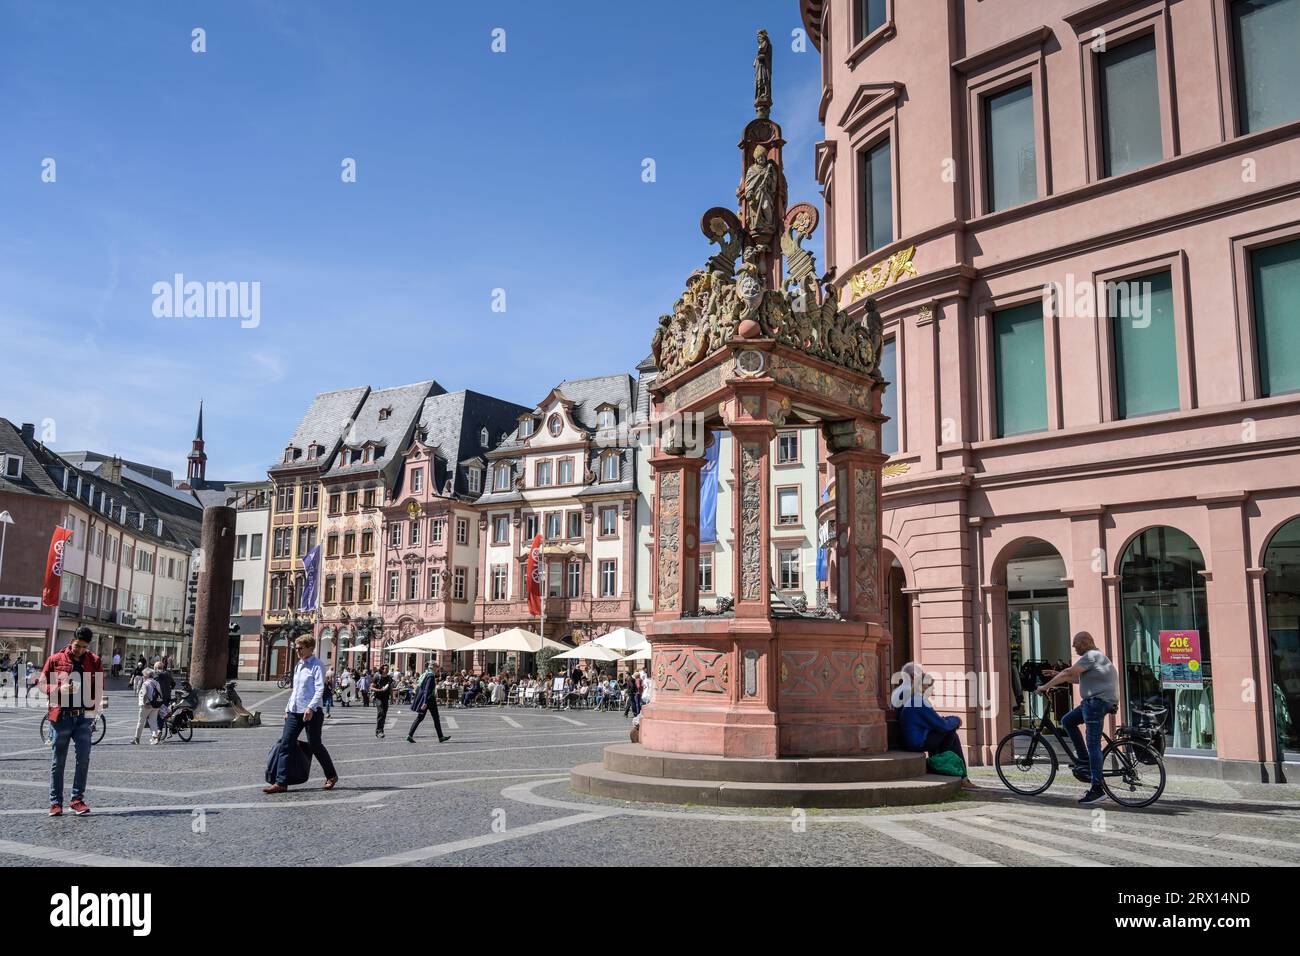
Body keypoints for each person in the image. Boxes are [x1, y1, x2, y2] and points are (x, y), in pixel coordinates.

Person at [1038, 631, 1119, 805]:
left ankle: (1097, 788)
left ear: (1086, 642)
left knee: (1093, 744)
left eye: (1076, 643)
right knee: (1067, 720)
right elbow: (1076, 678)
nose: (1074, 646)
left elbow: (1069, 672)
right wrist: (1056, 675)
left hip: (1095, 703)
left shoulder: (1091, 655)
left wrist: (1045, 686)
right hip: (1094, 702)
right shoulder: (1096, 658)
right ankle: (1084, 761)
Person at [39, 627, 103, 816]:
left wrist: (95, 713)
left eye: (84, 647)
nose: (80, 650)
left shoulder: (94, 661)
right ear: (71, 641)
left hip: (83, 717)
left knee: (83, 759)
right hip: (61, 718)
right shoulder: (55, 659)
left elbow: (98, 689)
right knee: (58, 762)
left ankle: (77, 800)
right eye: (77, 646)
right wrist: (59, 688)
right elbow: (41, 685)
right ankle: (55, 802)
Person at [264, 635, 338, 794]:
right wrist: (287, 708)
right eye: (296, 648)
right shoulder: (298, 665)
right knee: (286, 744)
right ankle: (281, 782)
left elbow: (320, 689)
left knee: (315, 745)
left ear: (310, 648)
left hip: (312, 712)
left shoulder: (317, 665)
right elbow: (296, 690)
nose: (297, 651)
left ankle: (331, 776)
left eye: (300, 648)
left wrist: (310, 708)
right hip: (294, 711)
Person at [894, 663, 977, 790]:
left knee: (948, 734)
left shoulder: (915, 700)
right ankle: (958, 774)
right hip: (916, 742)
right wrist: (956, 720)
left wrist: (949, 721)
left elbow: (935, 721)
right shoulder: (918, 702)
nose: (932, 690)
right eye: (929, 686)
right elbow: (941, 725)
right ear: (921, 686)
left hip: (912, 740)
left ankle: (947, 768)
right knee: (950, 733)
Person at [407, 665, 451, 744]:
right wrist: (425, 702)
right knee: (435, 718)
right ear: (433, 668)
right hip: (429, 699)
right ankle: (440, 737)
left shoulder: (426, 674)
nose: (438, 669)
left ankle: (410, 735)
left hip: (428, 699)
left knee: (420, 717)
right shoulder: (430, 676)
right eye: (437, 667)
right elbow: (427, 690)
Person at [135, 667, 163, 745]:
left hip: (146, 705)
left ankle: (136, 739)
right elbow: (160, 693)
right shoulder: (157, 683)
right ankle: (155, 735)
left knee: (141, 722)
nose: (143, 677)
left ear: (146, 675)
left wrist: (144, 703)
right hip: (156, 705)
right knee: (153, 722)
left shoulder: (146, 683)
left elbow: (144, 694)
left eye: (143, 675)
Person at [372, 664, 393, 738]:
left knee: (384, 715)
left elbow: (390, 687)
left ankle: (381, 730)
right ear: (382, 669)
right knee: (380, 712)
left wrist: (392, 698)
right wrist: (379, 690)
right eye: (385, 669)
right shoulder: (377, 676)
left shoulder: (389, 677)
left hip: (386, 698)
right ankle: (379, 731)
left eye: (388, 669)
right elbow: (371, 687)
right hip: (378, 697)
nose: (387, 670)